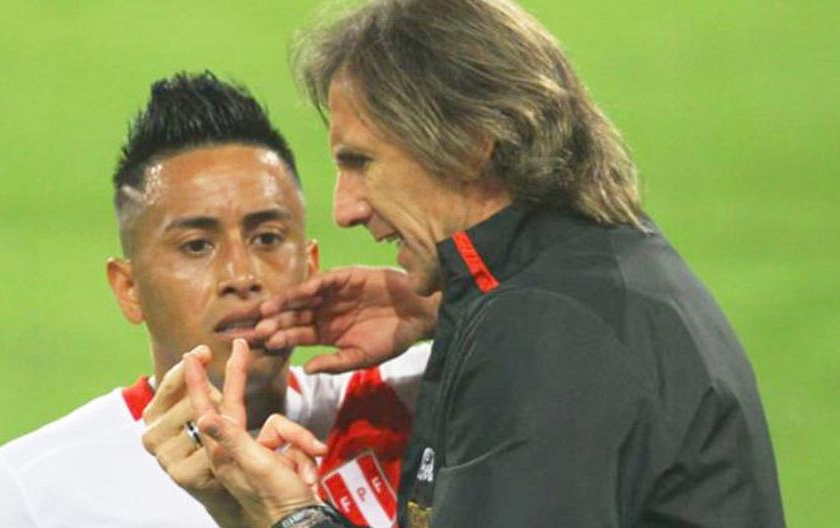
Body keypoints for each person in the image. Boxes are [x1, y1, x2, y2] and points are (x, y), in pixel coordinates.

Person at [167, 1, 787, 527]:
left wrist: (288, 514)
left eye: (361, 163)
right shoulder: (598, 265)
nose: (345, 209)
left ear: (468, 144)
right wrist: (450, 310)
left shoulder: (544, 338)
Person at [0, 72, 430, 528]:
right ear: (129, 290)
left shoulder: (418, 398)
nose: (241, 276)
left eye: (266, 238)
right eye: (197, 246)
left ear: (310, 266)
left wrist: (433, 310)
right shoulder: (36, 494)